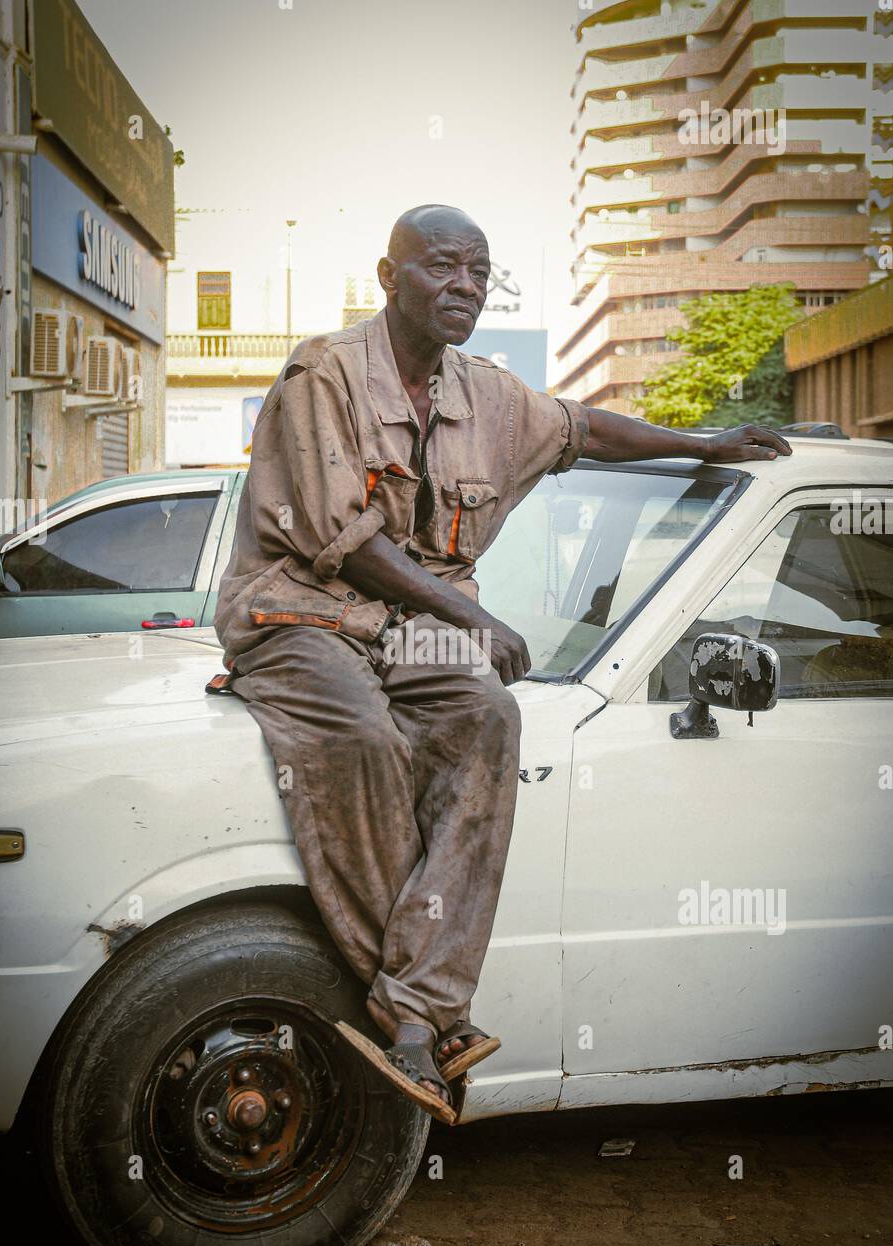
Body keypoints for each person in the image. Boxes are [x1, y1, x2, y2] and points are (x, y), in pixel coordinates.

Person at [213, 204, 791, 1123]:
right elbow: (346, 541)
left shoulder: (485, 393)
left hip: (409, 623)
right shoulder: (324, 375)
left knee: (488, 716)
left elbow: (583, 431)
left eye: (481, 273)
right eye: (445, 268)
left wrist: (704, 444)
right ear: (389, 275)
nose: (467, 288)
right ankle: (425, 1014)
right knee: (359, 737)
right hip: (301, 612)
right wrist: (471, 614)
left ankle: (416, 1007)